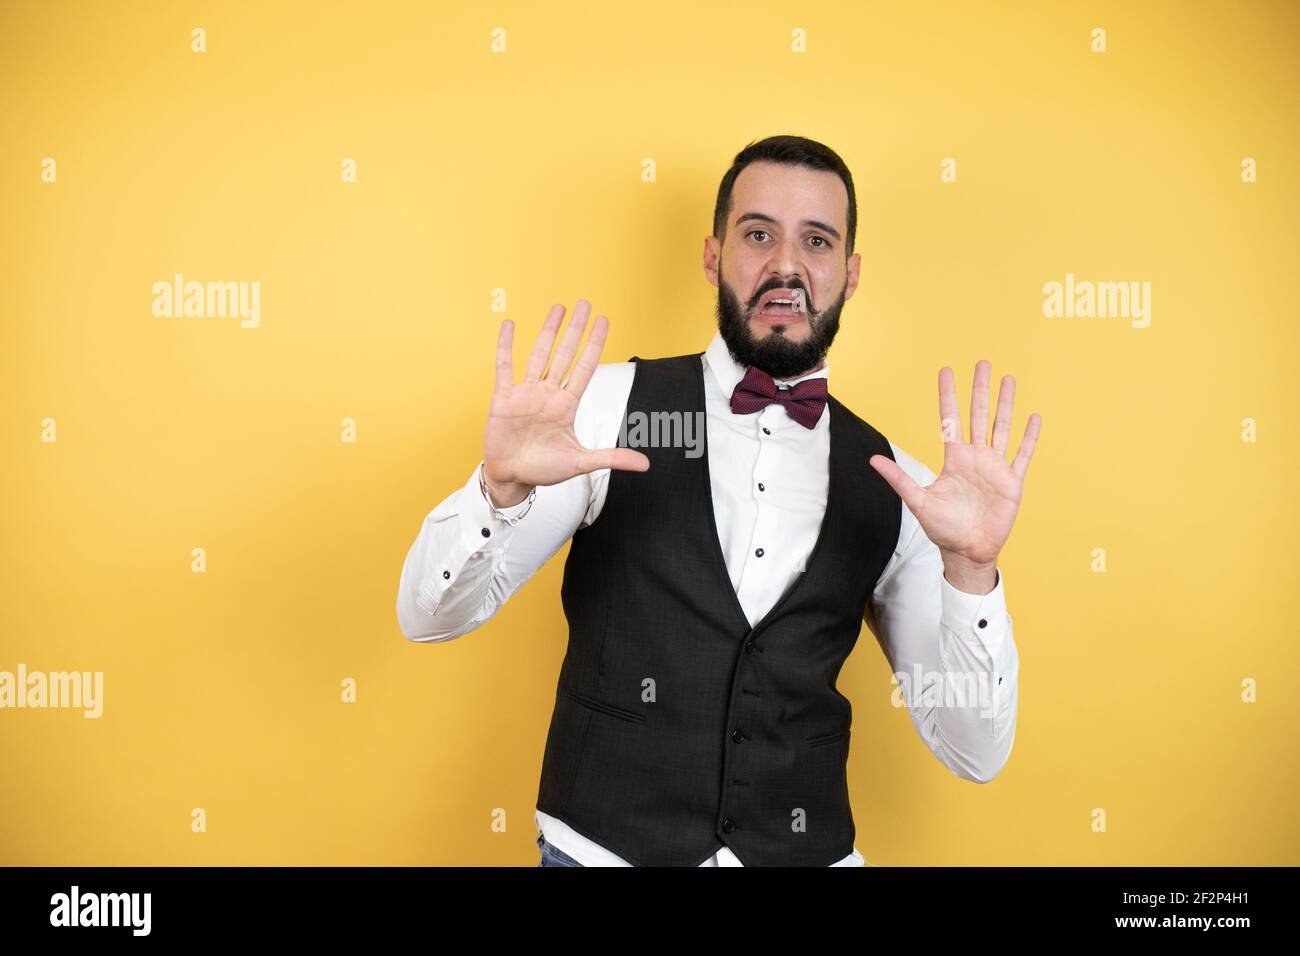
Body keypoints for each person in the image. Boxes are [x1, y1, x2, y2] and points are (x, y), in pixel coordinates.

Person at [396, 135, 1042, 867]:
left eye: (817, 241)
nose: (786, 266)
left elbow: (975, 751)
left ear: (850, 274)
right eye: (758, 234)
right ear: (713, 255)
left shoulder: (903, 485)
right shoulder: (601, 411)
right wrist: (500, 490)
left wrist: (970, 571)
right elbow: (427, 618)